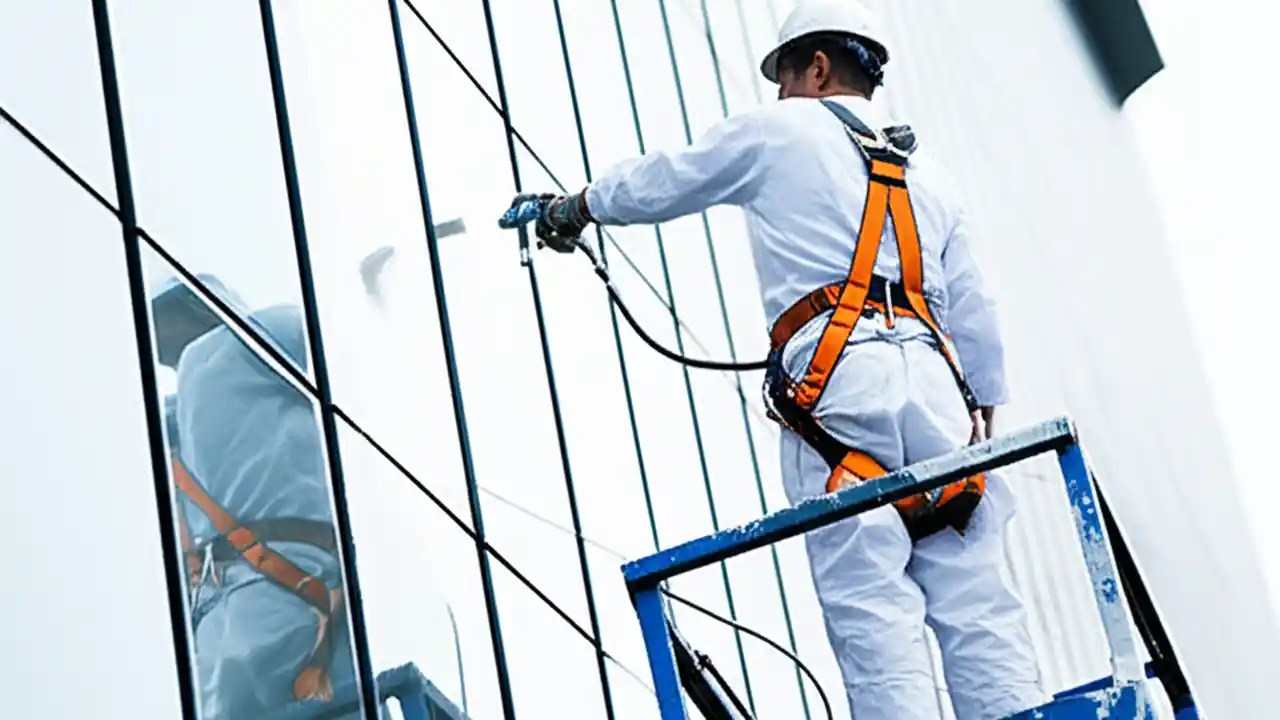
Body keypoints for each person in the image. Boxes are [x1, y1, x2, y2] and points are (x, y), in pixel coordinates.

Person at [504, 2, 1046, 718]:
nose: (782, 95)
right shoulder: (929, 174)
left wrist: (574, 208)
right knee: (977, 596)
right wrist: (982, 401)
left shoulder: (779, 131)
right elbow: (977, 304)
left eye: (786, 79)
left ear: (816, 67)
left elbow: (669, 178)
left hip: (839, 385)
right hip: (939, 393)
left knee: (870, 603)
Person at [151, 275, 361, 719]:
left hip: (259, 597)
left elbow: (341, 348)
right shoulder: (181, 407)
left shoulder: (247, 338)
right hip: (257, 596)